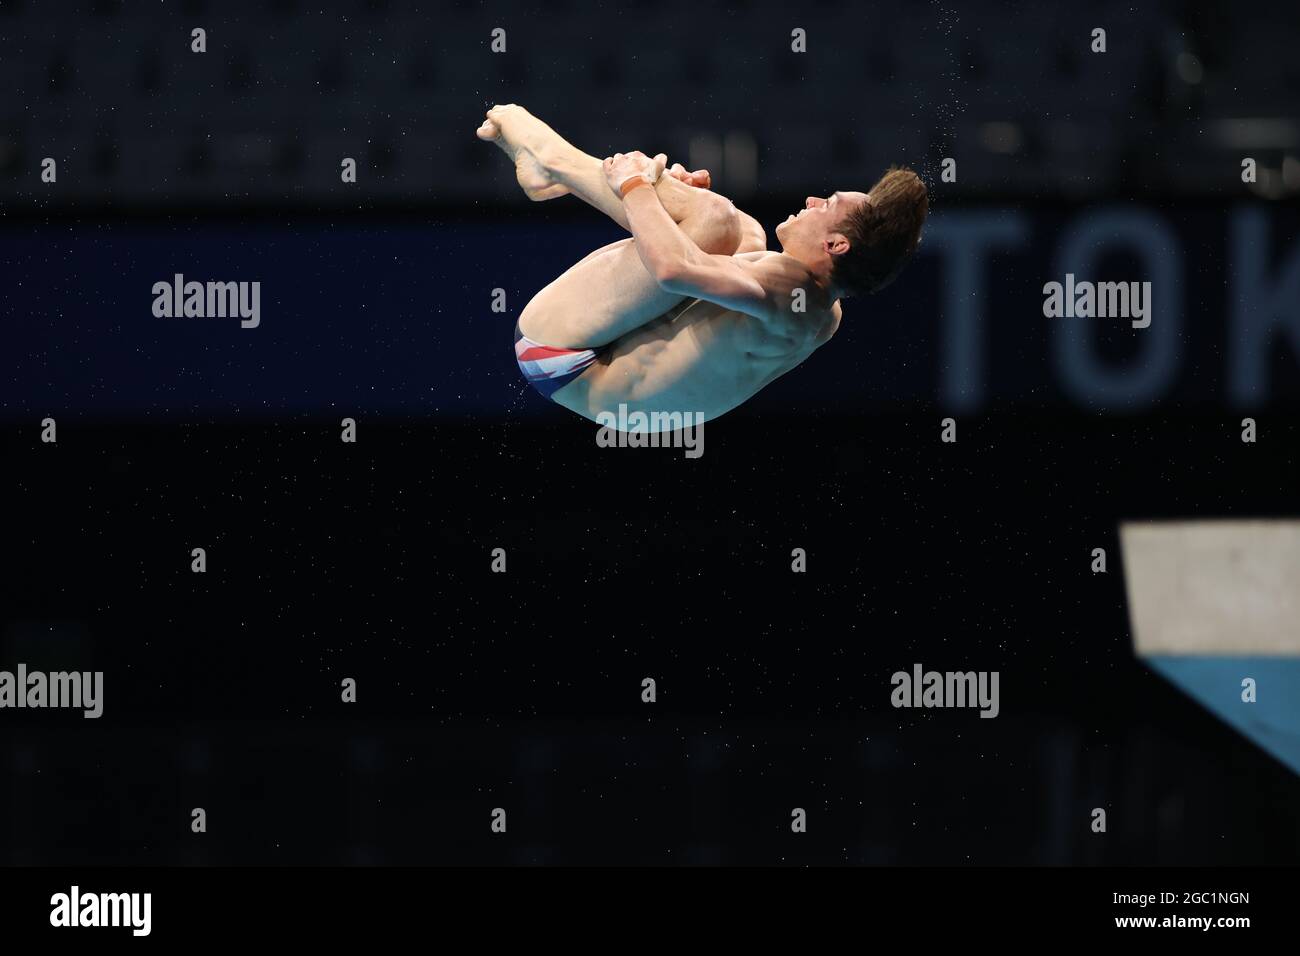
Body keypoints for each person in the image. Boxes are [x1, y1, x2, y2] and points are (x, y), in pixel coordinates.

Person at [478, 104, 928, 429]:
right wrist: (677, 203)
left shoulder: (787, 287)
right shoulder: (822, 312)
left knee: (714, 223)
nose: (812, 200)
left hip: (559, 354)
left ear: (835, 244)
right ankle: (557, 173)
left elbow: (673, 270)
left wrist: (636, 184)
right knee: (737, 229)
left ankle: (550, 160)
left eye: (825, 204)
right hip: (601, 383)